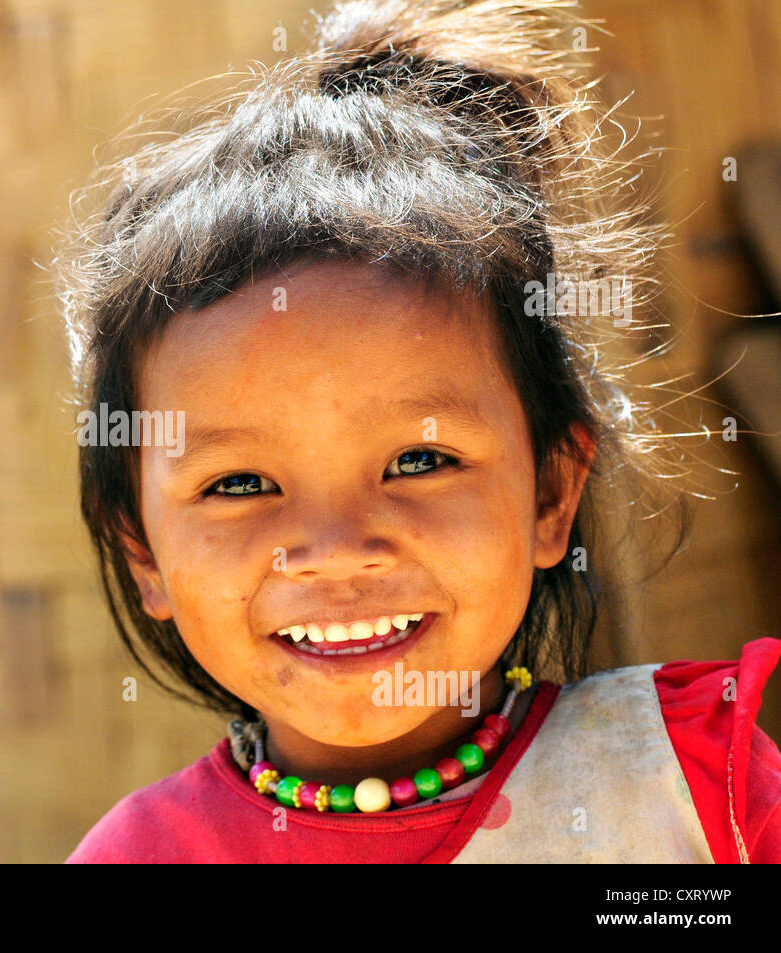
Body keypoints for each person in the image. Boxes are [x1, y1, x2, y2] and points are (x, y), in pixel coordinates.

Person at [57, 0, 781, 862]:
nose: (334, 548)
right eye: (240, 483)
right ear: (143, 552)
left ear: (551, 492)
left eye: (419, 459)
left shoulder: (688, 793)